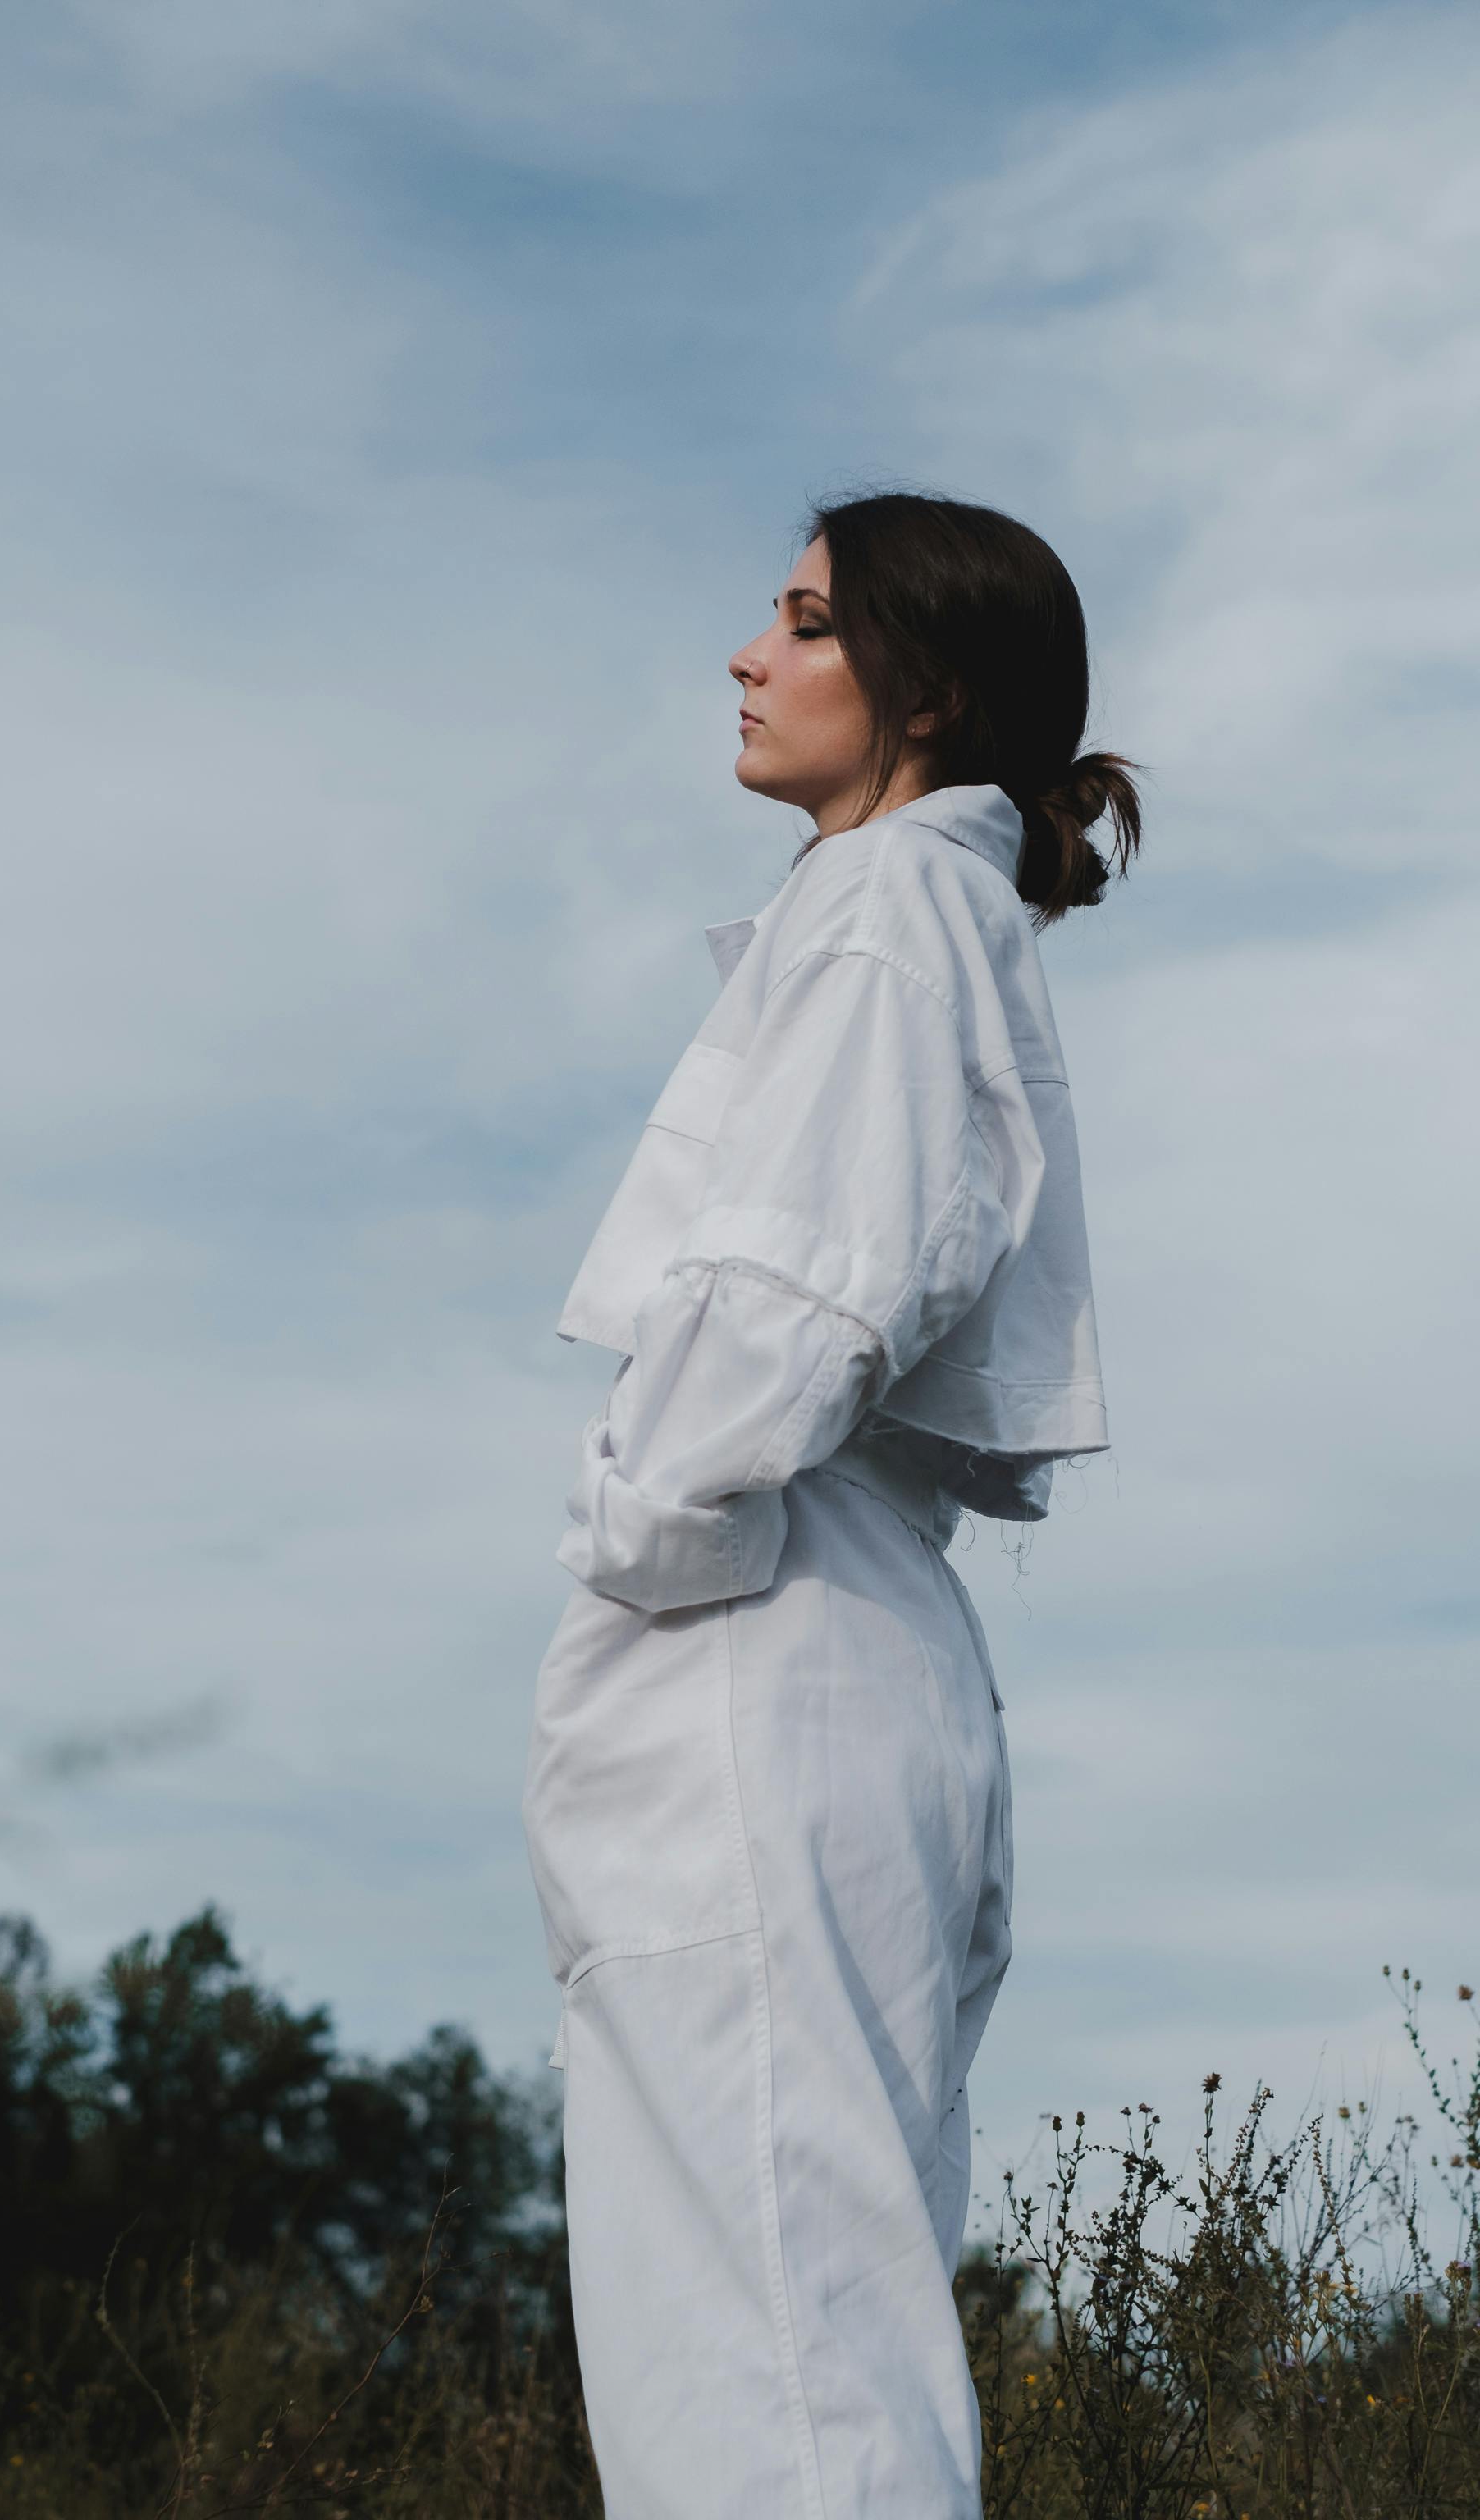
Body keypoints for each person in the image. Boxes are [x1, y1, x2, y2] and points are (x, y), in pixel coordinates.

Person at [522, 491, 1140, 2519]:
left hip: (762, 1626)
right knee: (809, 2325)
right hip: (850, 1638)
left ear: (922, 691)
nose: (745, 654)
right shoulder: (919, 913)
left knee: (766, 2366)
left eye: (800, 622)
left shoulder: (883, 913)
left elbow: (800, 1289)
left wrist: (639, 1532)